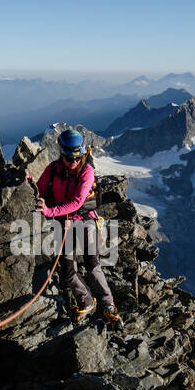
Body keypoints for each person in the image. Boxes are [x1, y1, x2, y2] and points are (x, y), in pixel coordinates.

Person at [34, 129, 122, 326]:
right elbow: (39, 189)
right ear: (61, 154)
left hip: (85, 219)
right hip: (63, 221)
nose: (73, 163)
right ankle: (87, 302)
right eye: (69, 159)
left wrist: (48, 211)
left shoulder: (87, 172)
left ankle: (108, 304)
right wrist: (31, 188)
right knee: (67, 270)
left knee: (92, 262)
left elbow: (76, 202)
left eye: (77, 158)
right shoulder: (53, 168)